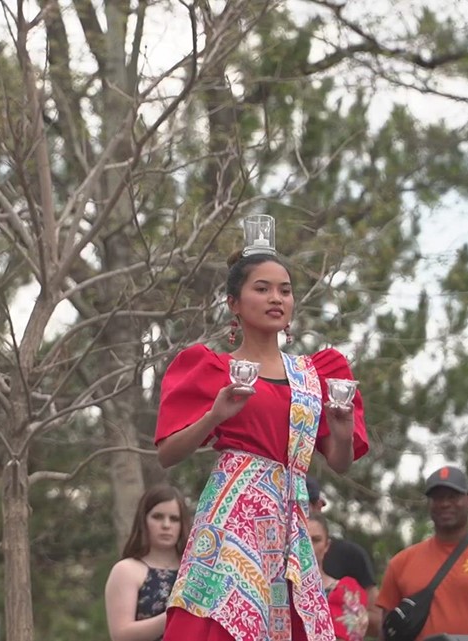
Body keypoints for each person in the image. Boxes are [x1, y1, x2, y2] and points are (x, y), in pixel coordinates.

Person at [154, 231, 370, 641]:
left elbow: (340, 462)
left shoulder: (316, 373)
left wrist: (340, 432)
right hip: (234, 517)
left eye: (285, 291)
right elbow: (168, 452)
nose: (277, 298)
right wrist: (214, 416)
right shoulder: (213, 367)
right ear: (233, 303)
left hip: (290, 519)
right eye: (263, 289)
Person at [376, 465, 468, 639]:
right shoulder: (401, 562)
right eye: (437, 498)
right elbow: (387, 631)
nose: (445, 504)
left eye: (453, 497)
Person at [104, 485, 192, 641]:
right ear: (143, 520)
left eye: (174, 519)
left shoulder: (195, 570)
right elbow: (121, 635)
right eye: (157, 517)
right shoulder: (127, 570)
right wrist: (174, 615)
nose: (166, 525)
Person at [306, 475, 381, 636]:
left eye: (304, 505)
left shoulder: (350, 555)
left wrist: (344, 614)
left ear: (318, 505)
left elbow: (378, 618)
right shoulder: (269, 558)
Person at [308, 513, 369, 641]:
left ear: (327, 545)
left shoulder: (347, 594)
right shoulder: (277, 592)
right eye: (303, 539)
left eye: (316, 540)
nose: (308, 546)